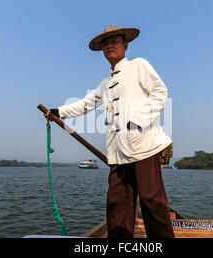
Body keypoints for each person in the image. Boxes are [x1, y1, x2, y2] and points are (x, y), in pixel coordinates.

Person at [45, 26, 174, 238]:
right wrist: (60, 112)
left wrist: (138, 121)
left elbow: (160, 92)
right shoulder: (105, 83)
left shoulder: (138, 66)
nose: (110, 46)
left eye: (114, 41)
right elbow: (86, 104)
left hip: (144, 147)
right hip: (117, 153)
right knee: (117, 204)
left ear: (126, 45)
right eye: (106, 44)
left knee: (152, 202)